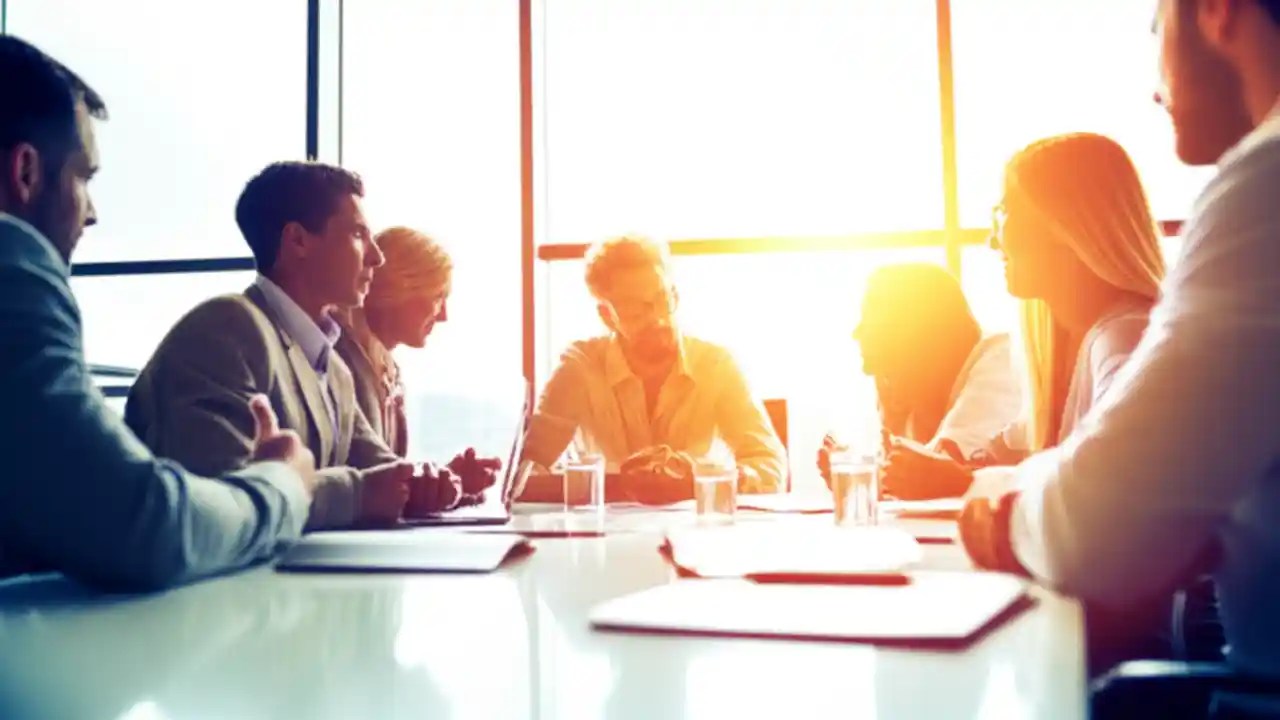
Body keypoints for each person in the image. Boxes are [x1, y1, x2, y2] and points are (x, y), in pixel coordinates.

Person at [959, 0, 1280, 681]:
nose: (1155, 87)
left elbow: (1099, 532)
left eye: (1158, 24)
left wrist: (996, 506)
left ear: (1216, 11)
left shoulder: (1267, 190)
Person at [0, 36, 315, 590]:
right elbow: (144, 525)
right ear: (25, 173)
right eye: (84, 177)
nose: (91, 213)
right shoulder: (12, 270)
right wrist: (282, 485)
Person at [127, 162, 468, 530]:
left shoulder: (334, 368)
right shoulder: (226, 328)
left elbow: (380, 470)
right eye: (358, 234)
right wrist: (356, 494)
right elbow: (219, 496)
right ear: (298, 241)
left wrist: (424, 483)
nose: (376, 257)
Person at [881, 133, 1166, 501]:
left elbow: (1114, 483)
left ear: (1064, 222)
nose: (993, 241)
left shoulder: (1124, 336)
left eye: (1005, 212)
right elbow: (1008, 459)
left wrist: (964, 483)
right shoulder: (1072, 345)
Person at [521, 234, 787, 503]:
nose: (658, 319)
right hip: (602, 535)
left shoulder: (716, 365)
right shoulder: (580, 366)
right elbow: (524, 472)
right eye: (636, 310)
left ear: (675, 294)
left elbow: (769, 463)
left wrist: (701, 478)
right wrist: (592, 486)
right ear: (606, 316)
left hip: (697, 534)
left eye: (663, 300)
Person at [333, 226, 499, 502]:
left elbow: (386, 477)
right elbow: (370, 480)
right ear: (399, 289)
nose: (443, 315)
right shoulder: (340, 361)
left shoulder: (386, 368)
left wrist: (448, 478)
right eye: (438, 297)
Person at [817, 263, 1021, 487]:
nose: (857, 332)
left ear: (915, 325)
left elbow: (940, 469)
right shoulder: (910, 393)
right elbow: (916, 482)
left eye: (871, 314)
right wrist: (859, 481)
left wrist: (872, 477)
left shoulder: (999, 358)